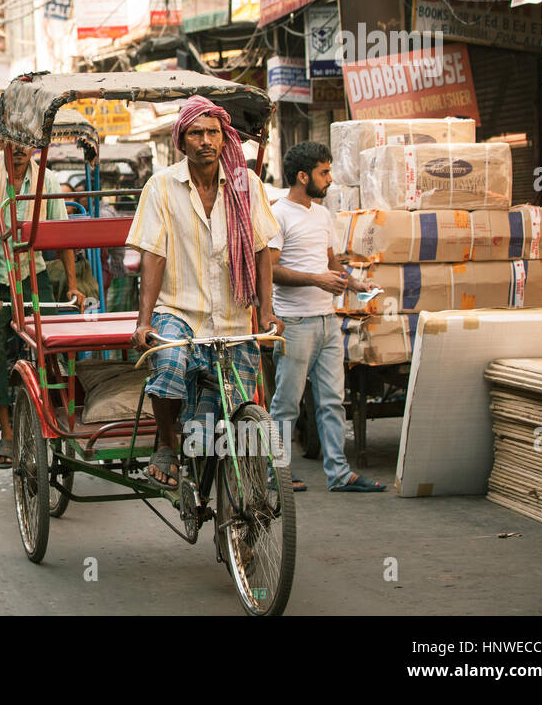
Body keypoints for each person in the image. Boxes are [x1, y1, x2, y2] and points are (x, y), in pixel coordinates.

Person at [128, 96, 282, 490]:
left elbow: (263, 250)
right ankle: (165, 444)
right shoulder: (161, 186)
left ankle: (238, 493)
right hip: (178, 310)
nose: (206, 141)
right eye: (196, 133)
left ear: (224, 136)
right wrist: (144, 320)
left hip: (232, 316)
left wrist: (266, 313)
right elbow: (153, 255)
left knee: (232, 412)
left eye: (213, 132)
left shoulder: (247, 185)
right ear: (182, 141)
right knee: (169, 361)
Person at [267, 142, 385, 493]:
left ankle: (340, 473)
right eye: (324, 172)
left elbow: (330, 263)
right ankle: (276, 473)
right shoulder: (278, 215)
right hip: (296, 322)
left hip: (327, 321)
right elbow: (271, 269)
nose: (330, 179)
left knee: (333, 400)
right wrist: (318, 279)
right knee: (287, 403)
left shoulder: (322, 216)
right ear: (303, 176)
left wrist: (356, 283)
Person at [0, 140, 85, 469]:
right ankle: (6, 432)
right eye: (12, 142)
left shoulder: (47, 179)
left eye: (25, 143)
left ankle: (56, 418)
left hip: (34, 278)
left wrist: (73, 287)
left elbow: (62, 235)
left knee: (50, 350)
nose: (19, 149)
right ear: (2, 142)